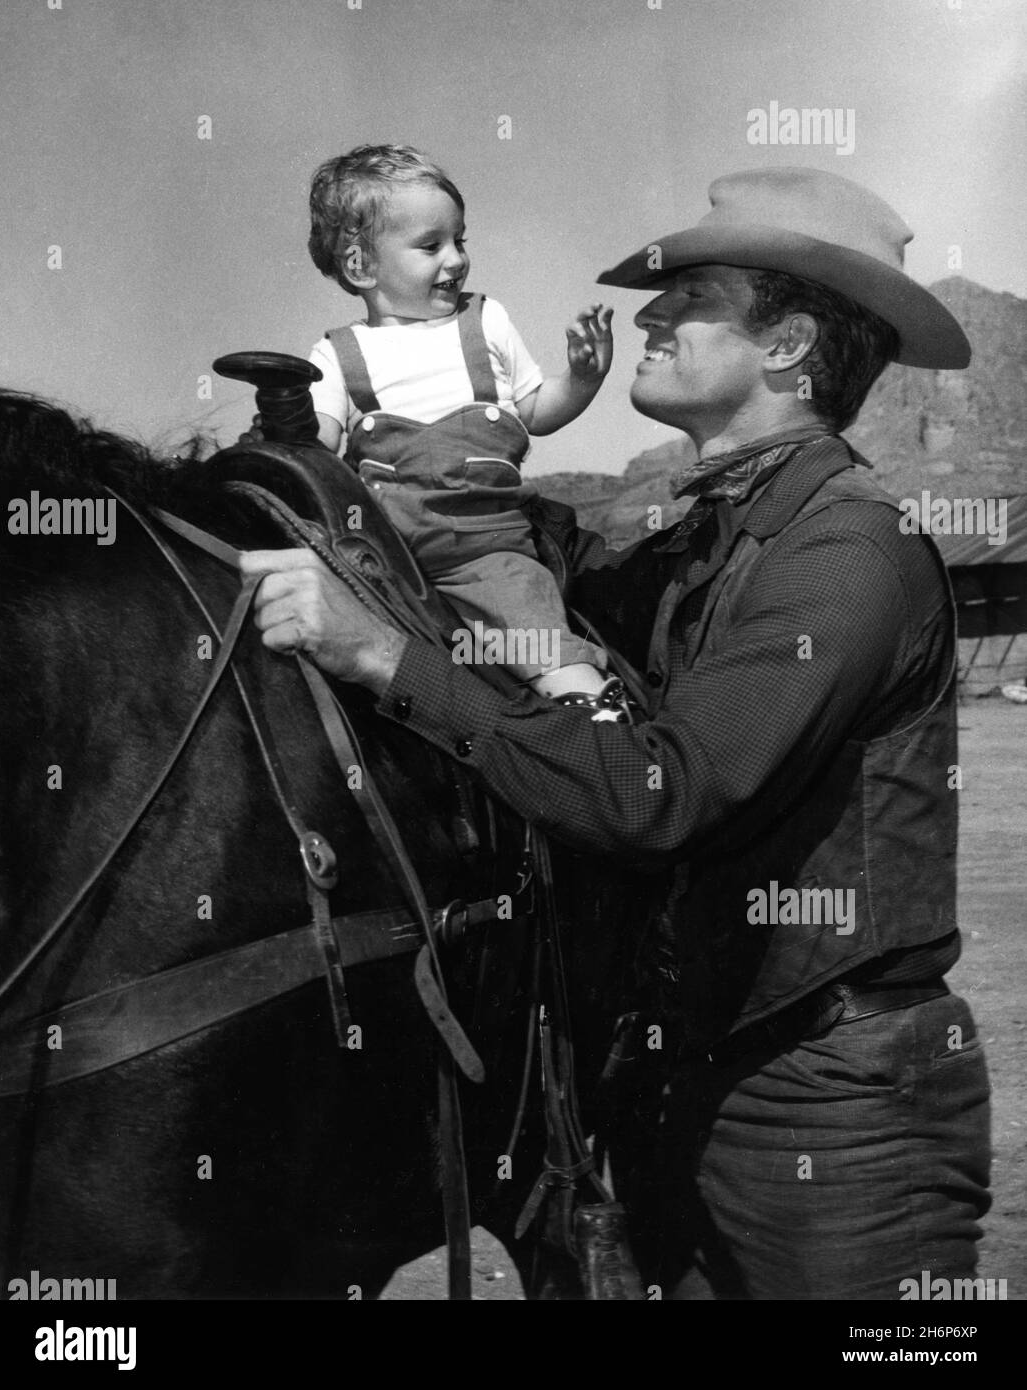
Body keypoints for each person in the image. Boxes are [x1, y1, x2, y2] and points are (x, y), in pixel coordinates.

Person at [243, 166, 992, 1300]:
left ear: (787, 346)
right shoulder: (702, 540)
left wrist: (384, 658)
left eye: (690, 301)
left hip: (837, 1113)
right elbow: (526, 575)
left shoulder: (847, 554)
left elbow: (656, 795)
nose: (649, 315)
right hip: (688, 1090)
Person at [305, 143, 624, 716]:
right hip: (385, 554)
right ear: (361, 266)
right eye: (431, 246)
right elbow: (319, 440)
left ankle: (592, 711)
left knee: (533, 638)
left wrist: (582, 378)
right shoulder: (337, 354)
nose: (455, 260)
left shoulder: (485, 321)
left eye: (460, 241)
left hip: (486, 549)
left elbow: (535, 410)